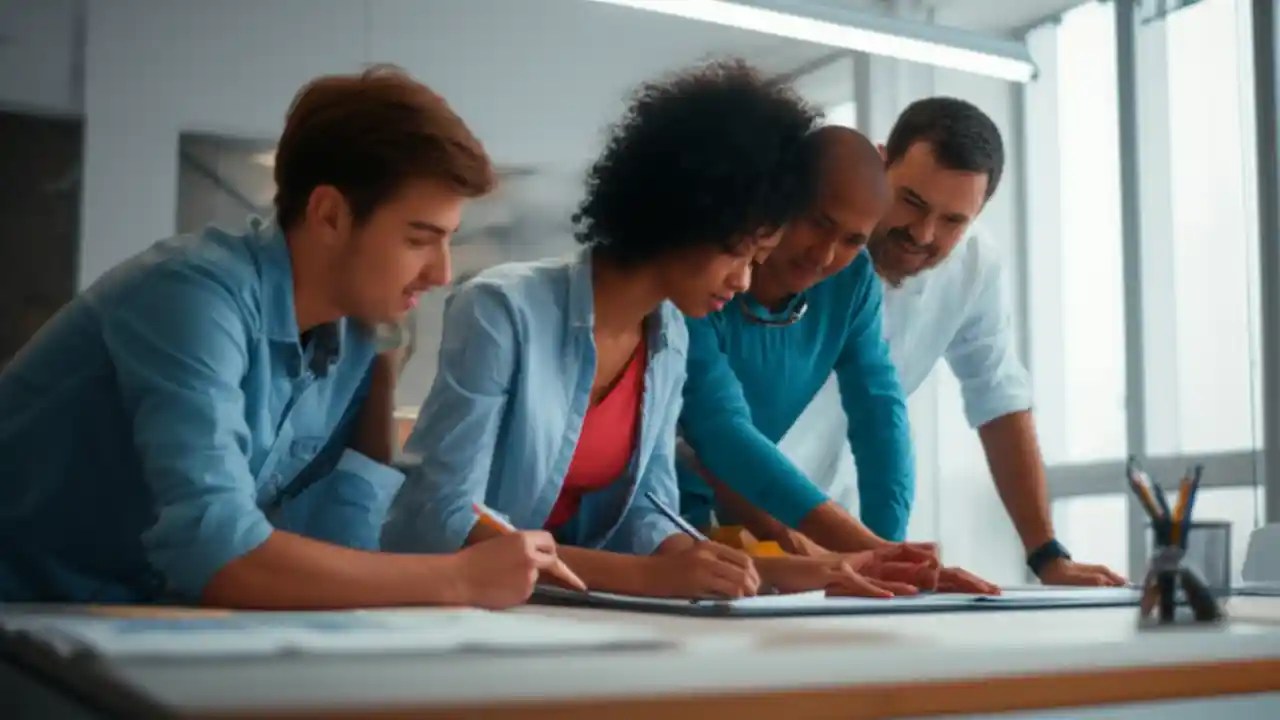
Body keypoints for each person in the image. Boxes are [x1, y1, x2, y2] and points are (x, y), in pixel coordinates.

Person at [0, 66, 562, 609]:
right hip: (25, 610)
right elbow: (216, 550)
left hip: (117, 622)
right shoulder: (192, 297)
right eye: (420, 239)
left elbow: (335, 551)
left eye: (449, 242)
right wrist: (459, 579)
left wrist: (379, 388)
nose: (442, 274)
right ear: (330, 215)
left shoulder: (352, 338)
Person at [382, 61, 931, 599]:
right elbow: (442, 515)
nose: (743, 282)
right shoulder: (501, 311)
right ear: (691, 213)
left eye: (758, 257)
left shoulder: (670, 335)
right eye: (738, 254)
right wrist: (643, 578)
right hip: (452, 615)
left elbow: (647, 512)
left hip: (557, 615)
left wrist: (792, 571)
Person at [694, 98, 1126, 587]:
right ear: (882, 168)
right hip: (704, 504)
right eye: (913, 202)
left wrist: (892, 555)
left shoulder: (867, 278)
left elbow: (888, 412)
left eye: (953, 221)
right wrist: (877, 552)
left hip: (817, 511)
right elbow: (717, 432)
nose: (923, 234)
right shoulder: (711, 275)